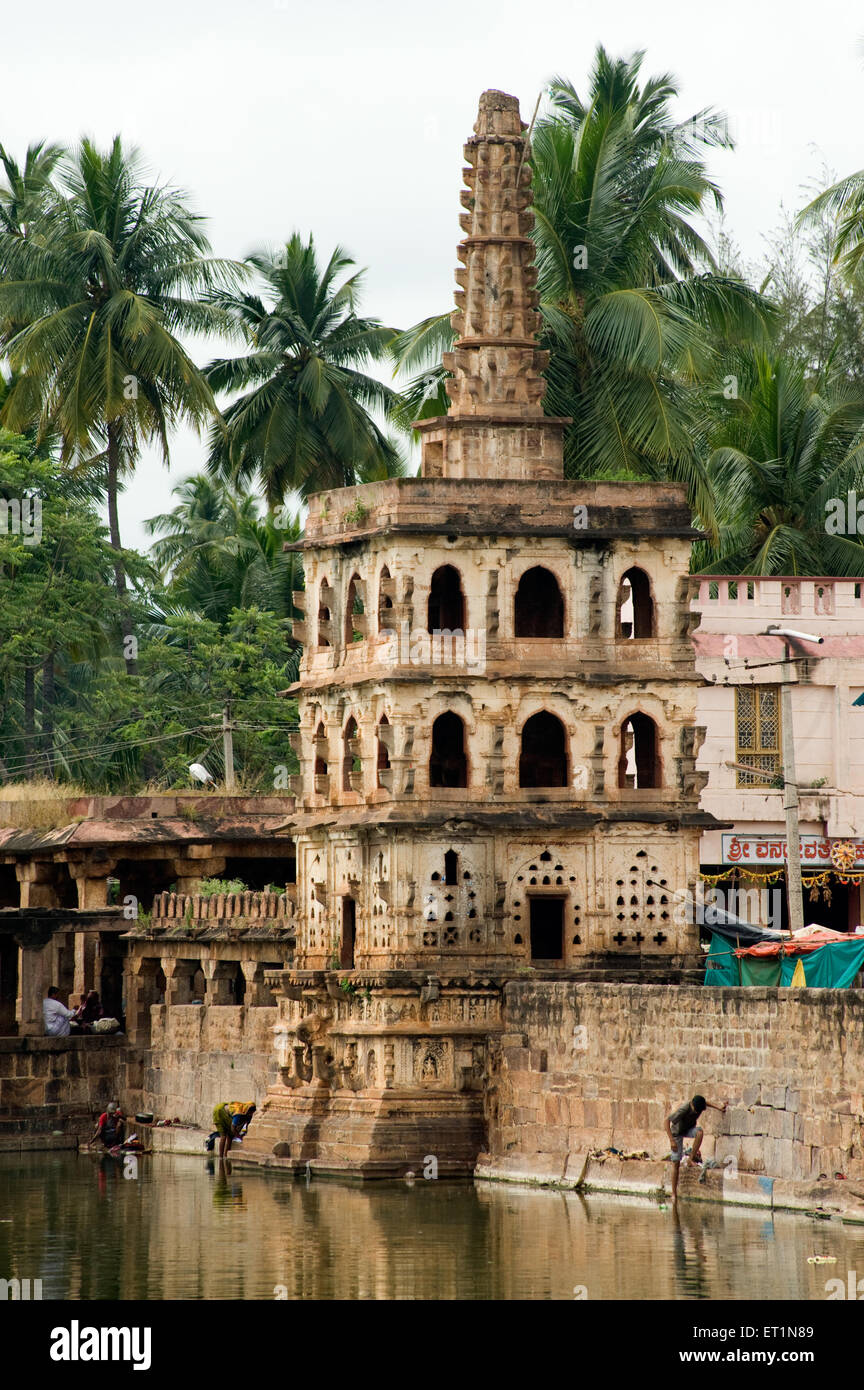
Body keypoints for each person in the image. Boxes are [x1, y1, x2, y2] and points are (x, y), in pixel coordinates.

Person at [666, 1093, 726, 1201]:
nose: (697, 1114)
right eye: (696, 1112)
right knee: (676, 1163)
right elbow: (666, 1121)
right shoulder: (684, 1109)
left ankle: (690, 1159)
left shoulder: (698, 1104)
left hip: (688, 1129)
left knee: (699, 1132)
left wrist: (718, 1106)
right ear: (692, 1106)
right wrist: (672, 1141)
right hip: (676, 1133)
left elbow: (705, 1102)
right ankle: (673, 1193)